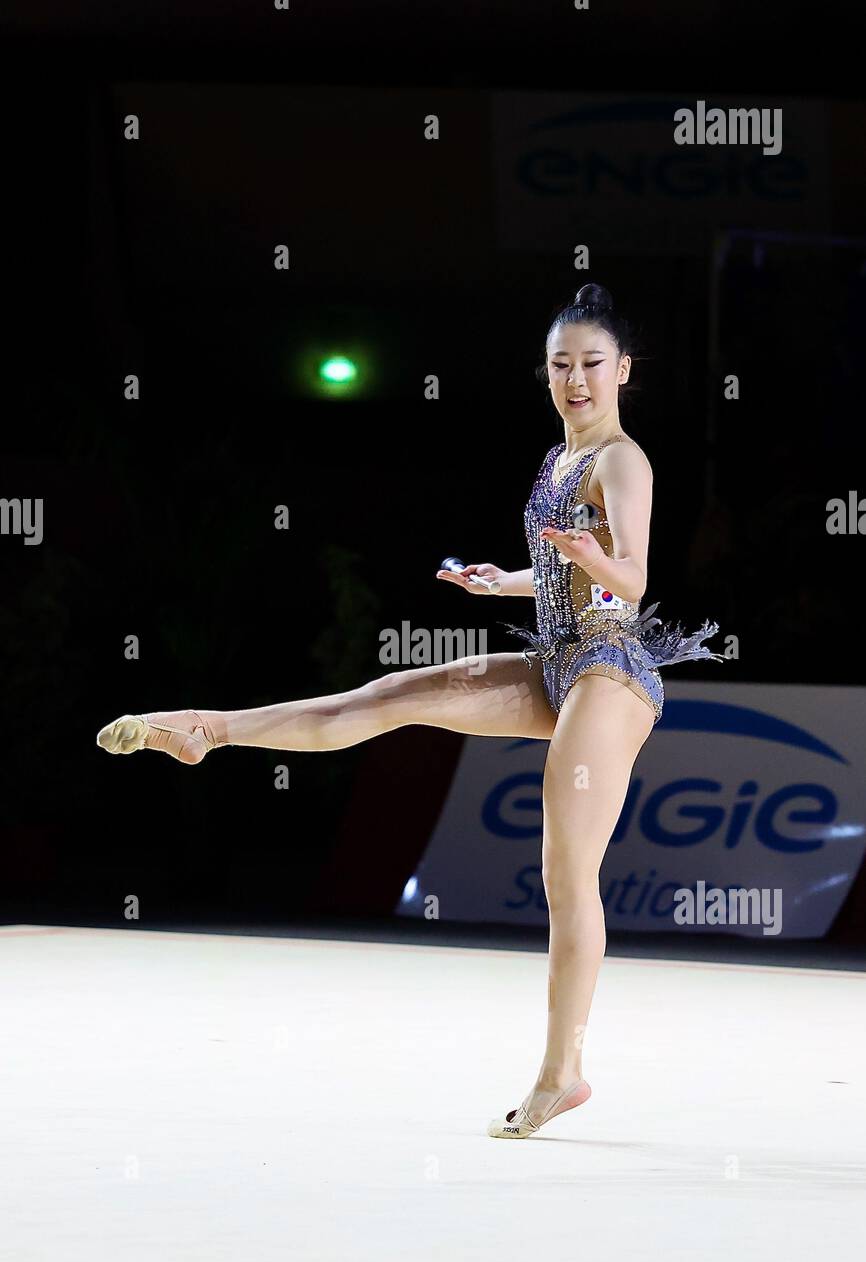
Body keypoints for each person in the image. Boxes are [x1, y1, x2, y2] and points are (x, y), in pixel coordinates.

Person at [97, 283, 728, 1140]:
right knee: (390, 697)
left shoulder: (623, 460)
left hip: (610, 673)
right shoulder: (555, 461)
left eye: (590, 364)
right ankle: (211, 728)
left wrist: (589, 555)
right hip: (557, 659)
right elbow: (564, 575)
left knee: (566, 873)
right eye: (559, 365)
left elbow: (634, 579)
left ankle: (562, 1072)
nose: (574, 379)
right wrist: (501, 580)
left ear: (623, 369)